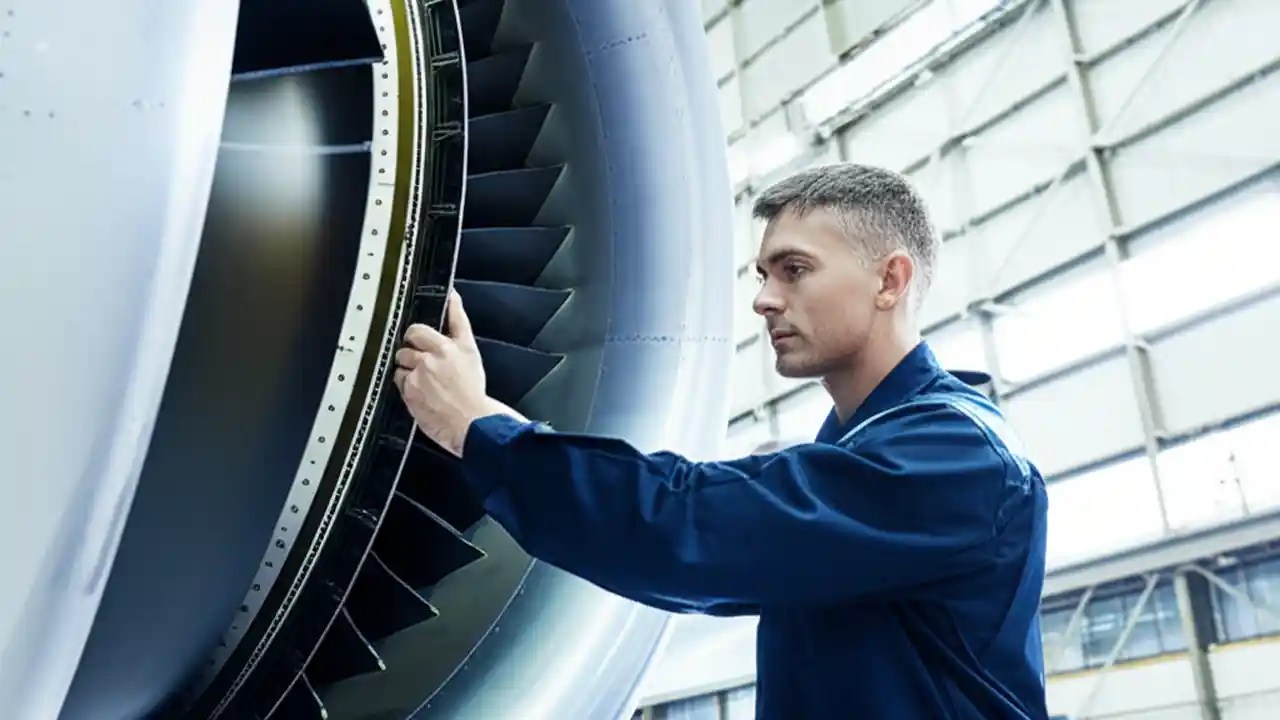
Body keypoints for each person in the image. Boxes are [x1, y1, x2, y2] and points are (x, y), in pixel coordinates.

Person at [393, 163, 1049, 719]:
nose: (765, 299)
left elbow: (688, 525)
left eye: (795, 269)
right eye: (762, 274)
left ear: (890, 280)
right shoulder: (860, 456)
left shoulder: (954, 456)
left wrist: (480, 429)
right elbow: (691, 563)